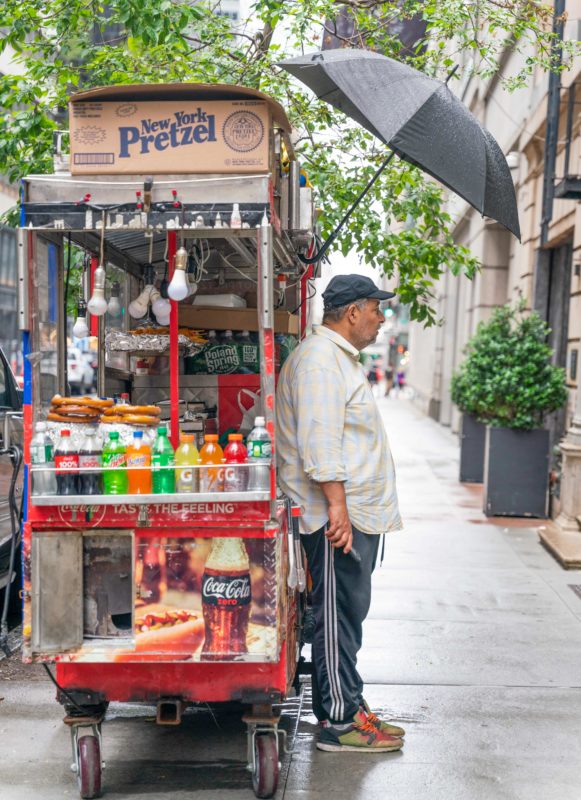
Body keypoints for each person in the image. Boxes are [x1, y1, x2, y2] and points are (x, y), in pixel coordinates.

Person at [276, 274, 404, 753]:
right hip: (333, 520)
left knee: (348, 615)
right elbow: (321, 443)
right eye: (376, 308)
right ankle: (338, 720)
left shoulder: (334, 359)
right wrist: (338, 509)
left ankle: (351, 701)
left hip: (351, 515)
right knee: (335, 617)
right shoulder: (320, 363)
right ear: (353, 311)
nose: (380, 317)